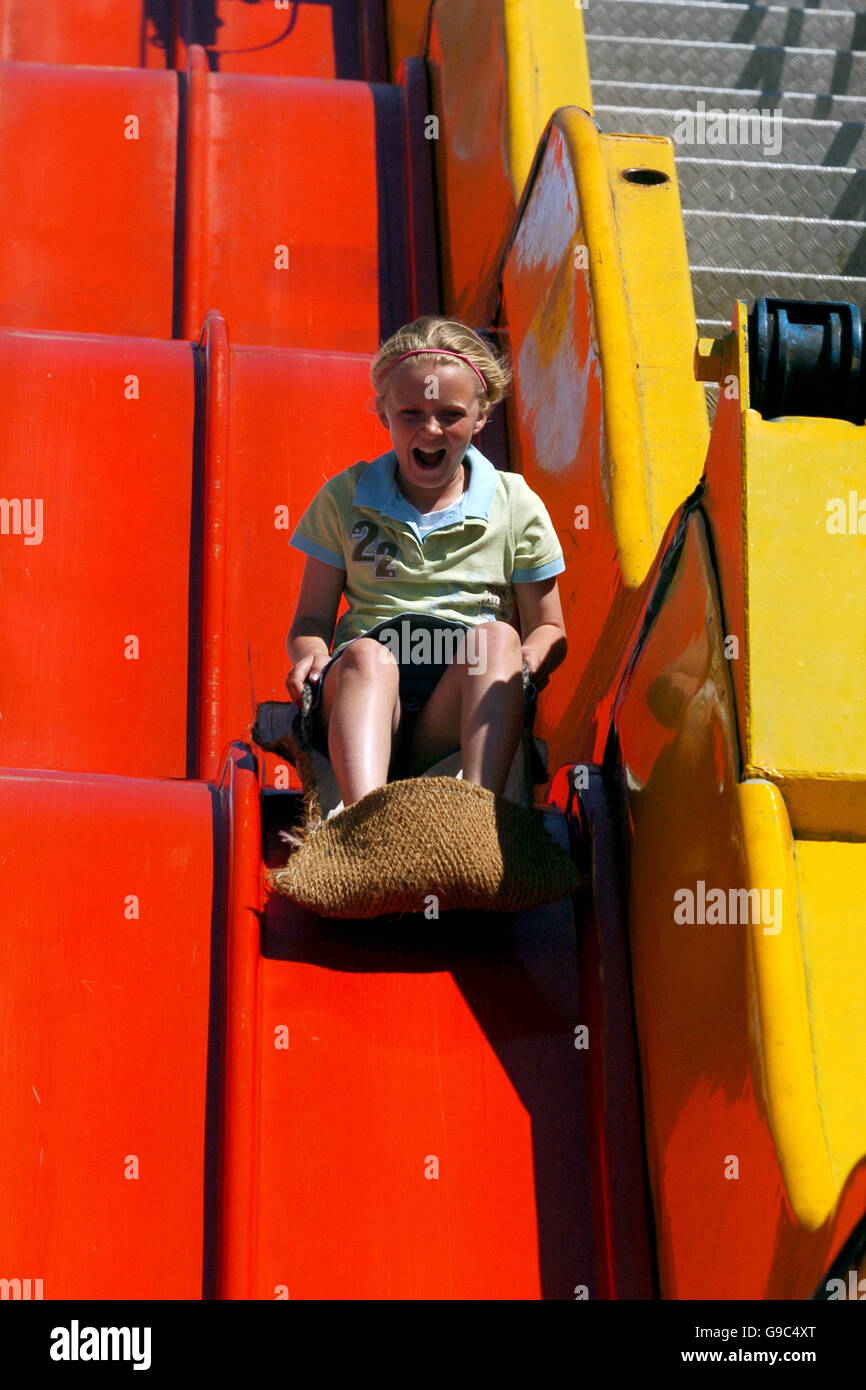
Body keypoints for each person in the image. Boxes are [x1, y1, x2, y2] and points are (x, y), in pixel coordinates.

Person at [285, 316, 567, 807]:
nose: (431, 428)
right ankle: (366, 822)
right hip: (367, 694)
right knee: (368, 657)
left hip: (455, 703)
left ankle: (479, 817)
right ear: (383, 413)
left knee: (498, 637)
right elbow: (310, 621)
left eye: (451, 414)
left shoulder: (513, 503)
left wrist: (528, 660)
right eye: (411, 412)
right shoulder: (346, 498)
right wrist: (309, 654)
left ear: (482, 417)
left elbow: (550, 627)